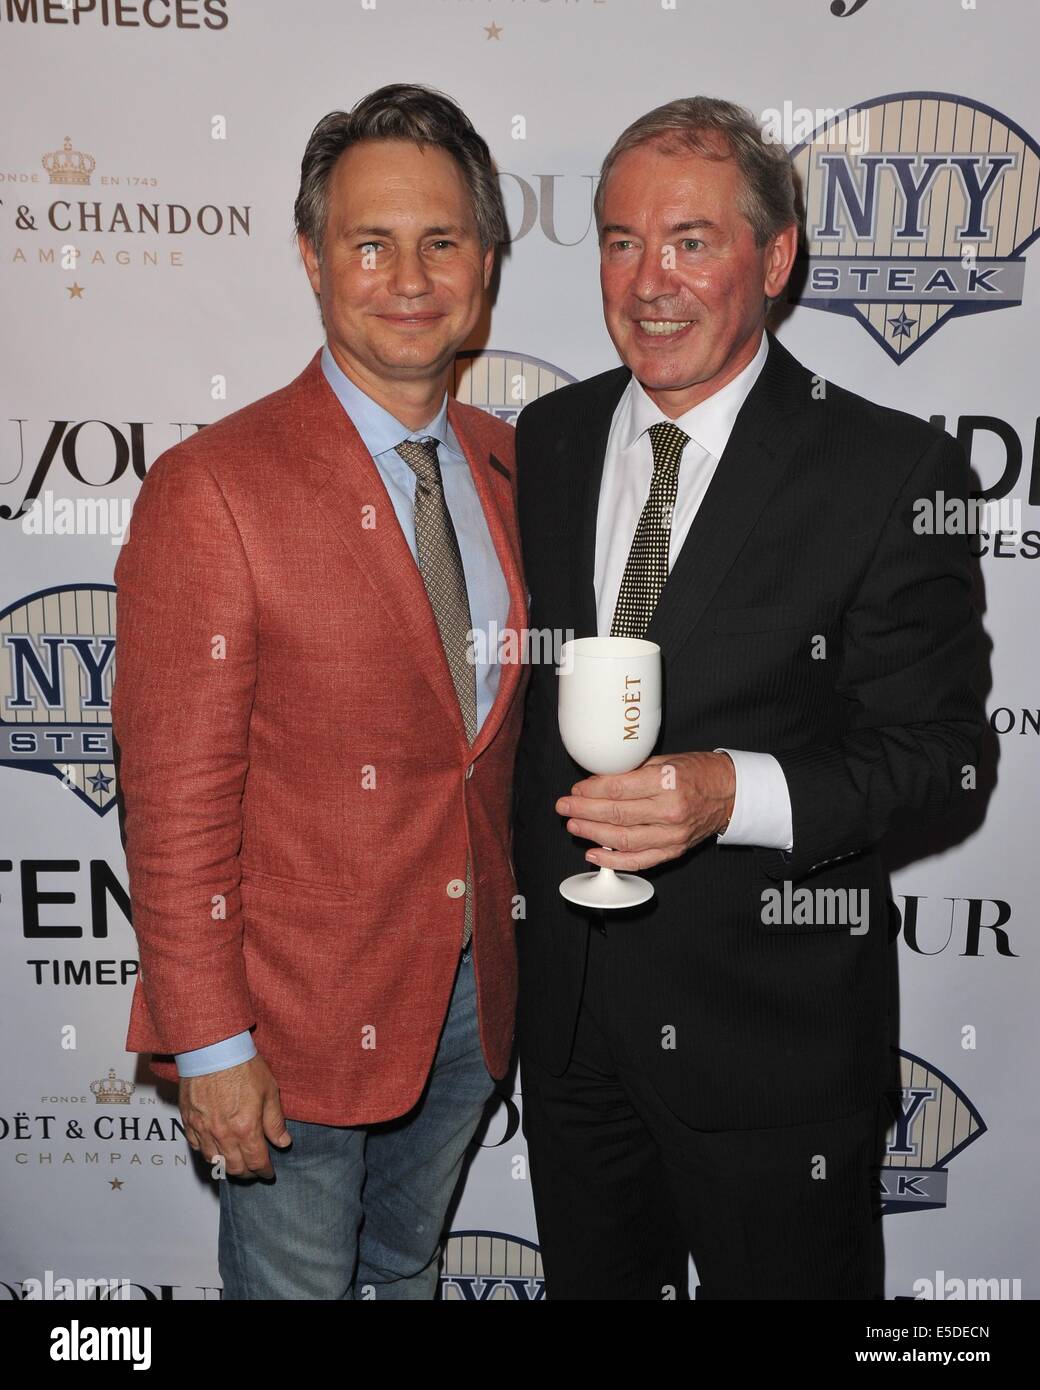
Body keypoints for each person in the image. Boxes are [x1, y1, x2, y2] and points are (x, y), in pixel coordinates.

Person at [511, 96, 986, 1300]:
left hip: (774, 1057)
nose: (648, 280)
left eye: (689, 240)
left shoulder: (885, 470)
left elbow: (939, 754)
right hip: (569, 1042)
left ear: (774, 259)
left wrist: (730, 793)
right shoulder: (550, 440)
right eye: (620, 240)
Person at [112, 83, 527, 1300]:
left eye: (441, 240)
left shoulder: (512, 465)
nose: (409, 275)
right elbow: (175, 800)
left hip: (468, 1006)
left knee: (402, 1272)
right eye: (369, 241)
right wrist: (211, 1041)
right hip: (284, 1025)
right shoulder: (215, 488)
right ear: (310, 257)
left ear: (485, 264)